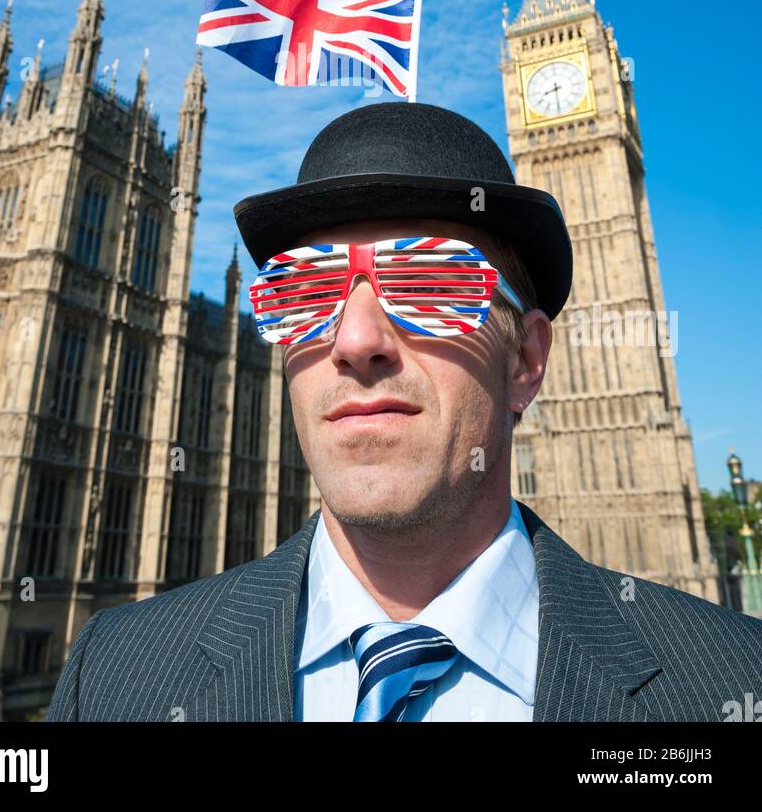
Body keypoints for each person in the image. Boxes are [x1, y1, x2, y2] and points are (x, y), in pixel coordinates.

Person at [47, 102, 762, 722]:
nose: (356, 341)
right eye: (301, 294)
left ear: (524, 360)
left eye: (428, 282)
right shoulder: (111, 674)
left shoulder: (730, 687)